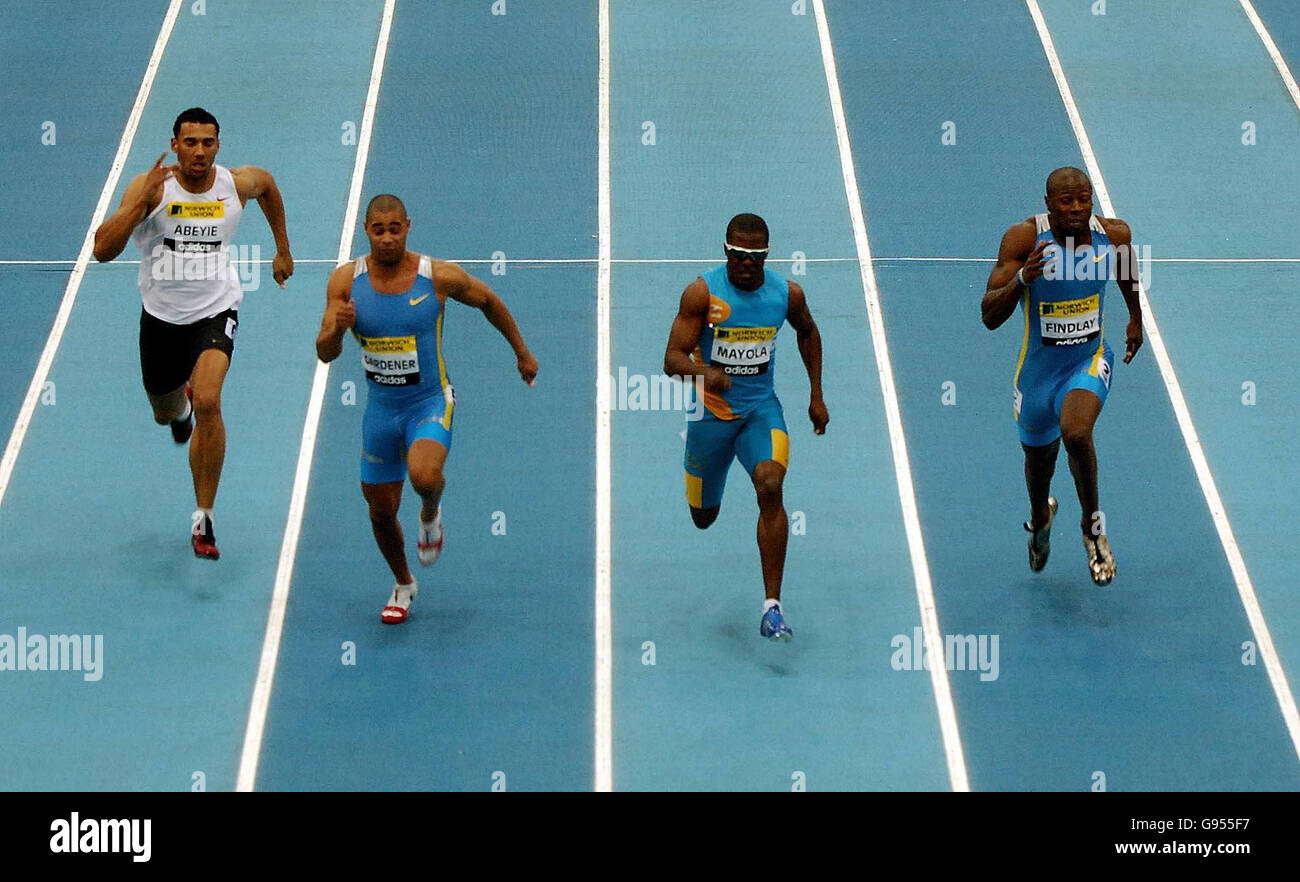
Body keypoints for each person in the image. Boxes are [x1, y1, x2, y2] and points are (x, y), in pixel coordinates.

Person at [316, 194, 538, 624]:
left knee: (424, 475)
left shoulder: (436, 276)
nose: (386, 238)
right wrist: (338, 331)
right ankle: (403, 583)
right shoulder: (345, 282)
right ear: (366, 230)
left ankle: (431, 512)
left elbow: (489, 301)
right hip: (381, 410)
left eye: (394, 229)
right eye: (378, 230)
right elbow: (324, 352)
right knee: (380, 510)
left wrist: (521, 352)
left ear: (407, 226)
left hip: (429, 402)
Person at [93, 106, 294, 560]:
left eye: (208, 142)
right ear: (175, 145)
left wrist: (283, 249)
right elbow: (102, 251)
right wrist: (138, 205)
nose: (199, 151)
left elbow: (270, 188)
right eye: (190, 142)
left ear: (218, 145)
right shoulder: (151, 190)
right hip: (161, 318)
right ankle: (177, 409)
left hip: (215, 310)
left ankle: (204, 516)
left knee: (210, 400)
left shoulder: (236, 183)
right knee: (167, 413)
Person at [663, 213, 827, 641]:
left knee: (771, 484)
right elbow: (672, 359)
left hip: (760, 413)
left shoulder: (786, 294)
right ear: (726, 251)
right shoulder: (702, 293)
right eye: (739, 254)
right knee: (703, 517)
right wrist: (704, 376)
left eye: (755, 256)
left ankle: (772, 606)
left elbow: (808, 332)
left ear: (767, 255)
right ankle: (705, 492)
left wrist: (816, 394)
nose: (747, 263)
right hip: (711, 419)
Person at [982, 167, 1143, 585]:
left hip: (1086, 362)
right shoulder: (1023, 240)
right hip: (1037, 377)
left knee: (1076, 432)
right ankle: (1041, 519)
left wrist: (1135, 320)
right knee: (1039, 467)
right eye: (1067, 201)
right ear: (1049, 203)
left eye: (1084, 199)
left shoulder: (1115, 235)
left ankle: (1093, 531)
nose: (1077, 208)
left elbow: (1126, 272)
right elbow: (989, 315)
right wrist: (1022, 278)